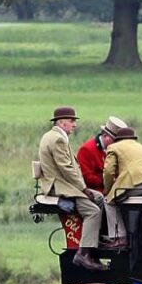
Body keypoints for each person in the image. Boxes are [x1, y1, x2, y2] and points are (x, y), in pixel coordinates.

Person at [38, 106, 105, 270]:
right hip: (61, 187)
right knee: (93, 211)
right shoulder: (57, 140)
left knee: (100, 198)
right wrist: (84, 189)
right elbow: (66, 169)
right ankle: (83, 254)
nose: (74, 125)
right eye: (71, 121)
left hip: (63, 184)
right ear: (61, 122)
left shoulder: (52, 136)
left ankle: (94, 239)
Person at [103, 127, 142, 241]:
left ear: (117, 139)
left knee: (109, 203)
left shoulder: (114, 147)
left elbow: (108, 172)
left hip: (133, 184)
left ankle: (120, 238)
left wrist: (108, 189)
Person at [76, 115, 127, 245]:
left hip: (112, 189)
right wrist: (108, 181)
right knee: (109, 201)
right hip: (94, 191)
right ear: (106, 137)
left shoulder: (114, 150)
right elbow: (86, 177)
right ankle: (108, 236)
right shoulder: (87, 149)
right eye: (115, 141)